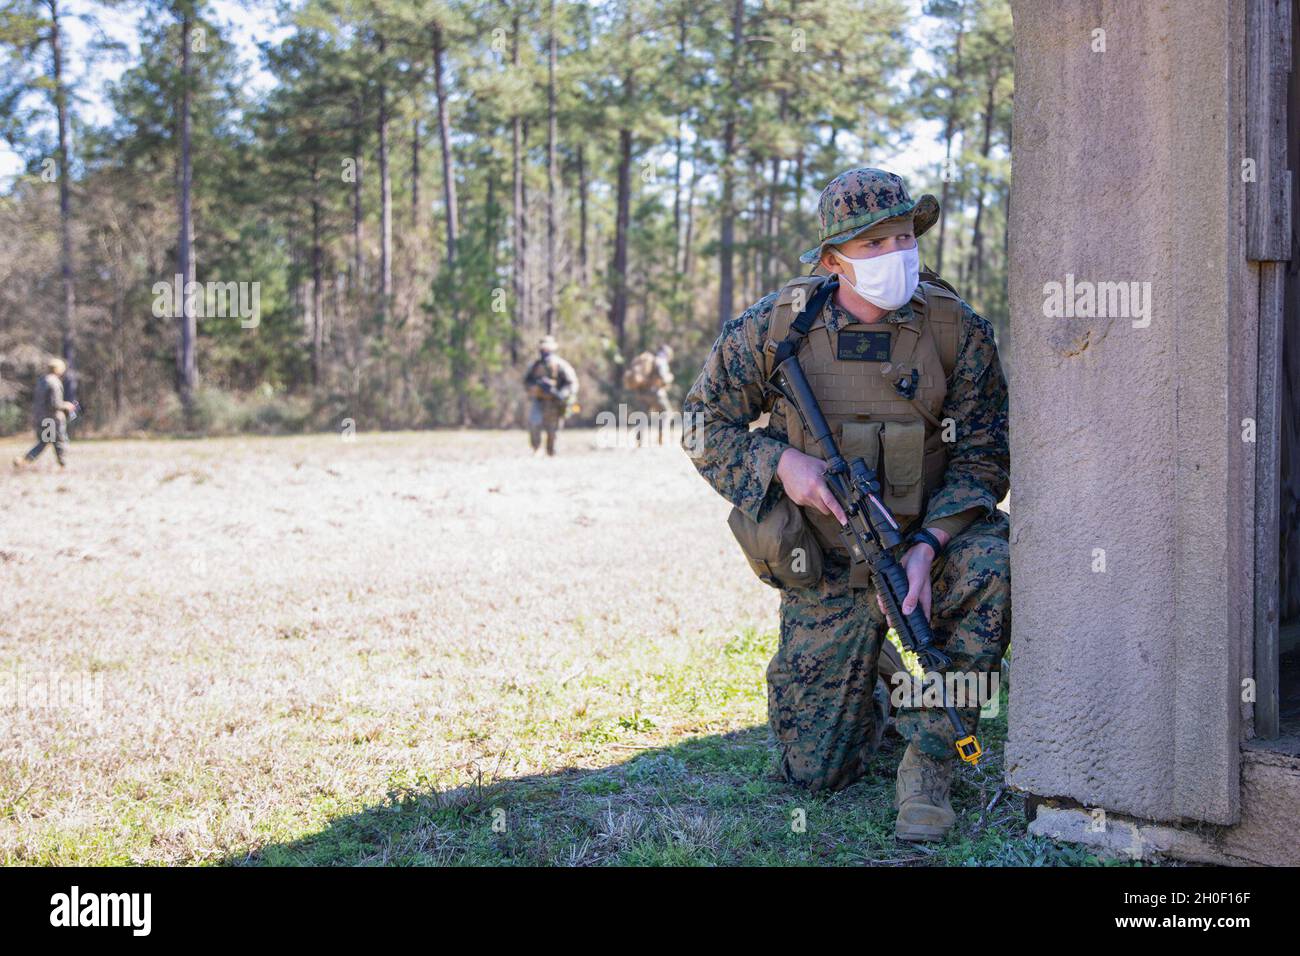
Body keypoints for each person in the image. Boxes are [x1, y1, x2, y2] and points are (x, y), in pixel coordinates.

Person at [681, 167, 1010, 842]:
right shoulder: (776, 329)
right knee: (815, 774)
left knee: (996, 564)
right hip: (827, 568)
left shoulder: (956, 331)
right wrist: (781, 463)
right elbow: (699, 423)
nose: (895, 256)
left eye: (902, 237)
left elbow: (984, 452)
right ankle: (879, 671)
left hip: (924, 557)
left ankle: (928, 761)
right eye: (872, 246)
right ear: (832, 261)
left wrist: (931, 544)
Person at [14, 357, 75, 469]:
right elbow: (55, 404)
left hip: (41, 417)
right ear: (59, 369)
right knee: (60, 441)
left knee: (45, 441)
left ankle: (24, 460)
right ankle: (63, 465)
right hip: (52, 418)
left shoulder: (42, 380)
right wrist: (66, 405)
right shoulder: (54, 383)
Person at [523, 335, 578, 456]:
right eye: (542, 349)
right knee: (534, 423)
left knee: (553, 432)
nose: (544, 352)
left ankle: (551, 452)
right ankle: (536, 448)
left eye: (547, 349)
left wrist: (561, 393)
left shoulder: (561, 365)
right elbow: (526, 382)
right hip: (539, 400)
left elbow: (572, 383)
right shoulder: (535, 366)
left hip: (555, 402)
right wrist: (536, 386)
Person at [622, 344, 675, 445]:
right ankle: (661, 435)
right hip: (656, 394)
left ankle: (639, 440)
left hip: (642, 393)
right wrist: (670, 377)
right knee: (666, 412)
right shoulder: (661, 361)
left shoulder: (651, 360)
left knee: (642, 416)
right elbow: (663, 378)